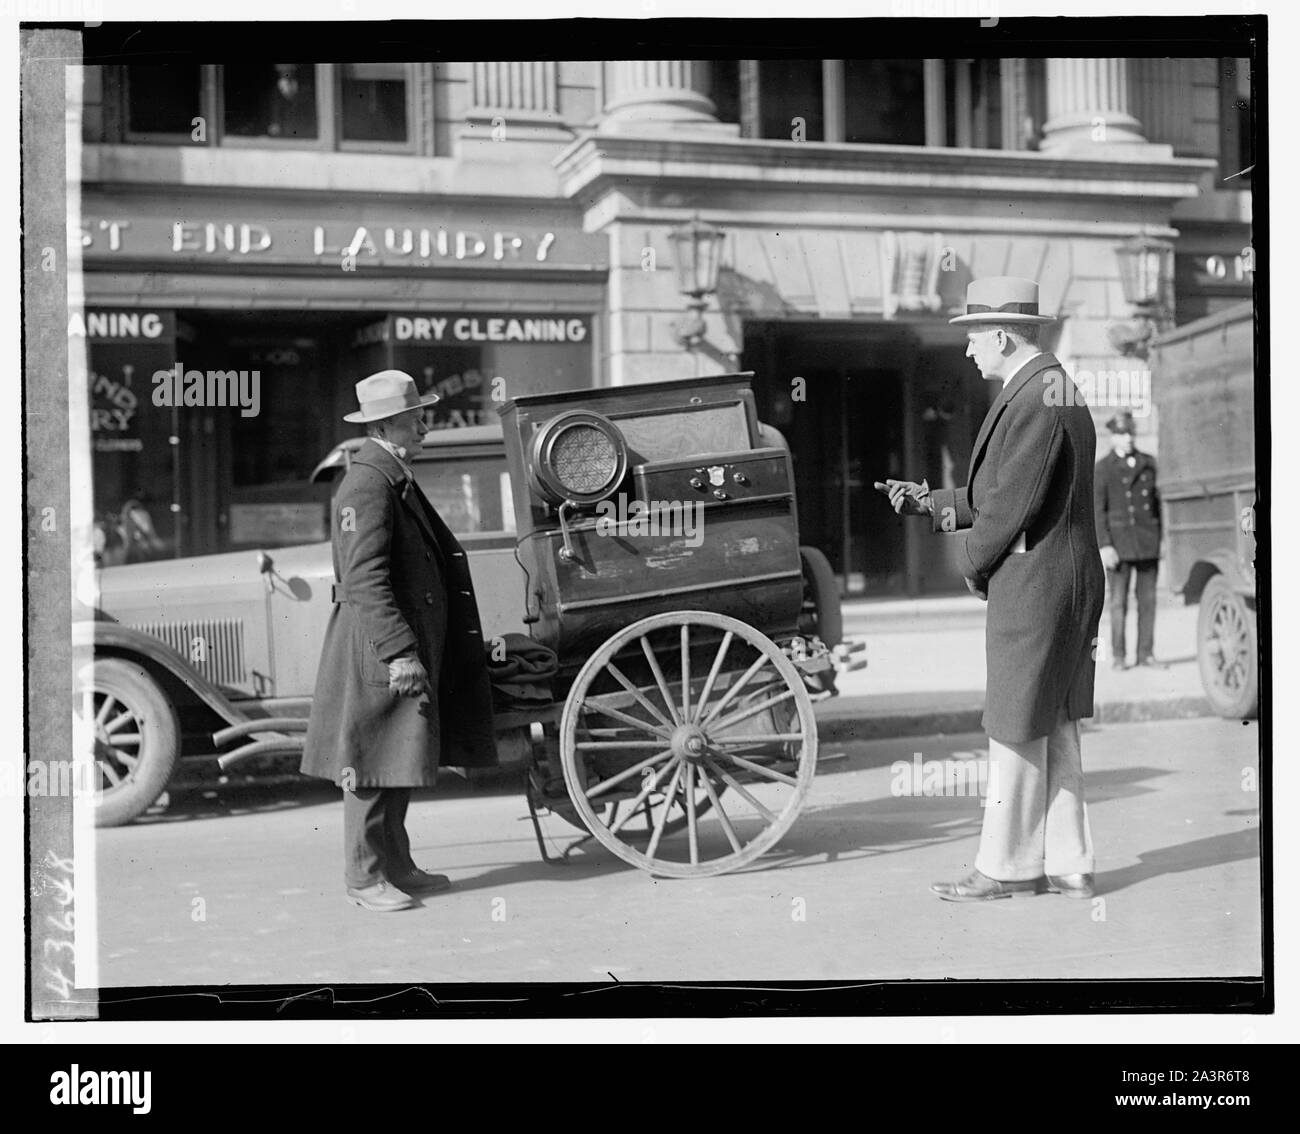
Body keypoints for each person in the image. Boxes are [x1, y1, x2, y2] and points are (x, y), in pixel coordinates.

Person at [878, 276, 1105, 903]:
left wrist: (973, 564)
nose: (970, 351)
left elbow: (1010, 508)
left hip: (1037, 584)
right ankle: (1070, 865)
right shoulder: (1046, 387)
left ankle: (1004, 869)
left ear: (1003, 335)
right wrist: (932, 503)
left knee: (1012, 727)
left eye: (975, 337)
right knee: (1053, 722)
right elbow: (1001, 493)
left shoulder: (1033, 398)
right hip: (1062, 578)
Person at [301, 370, 498, 912]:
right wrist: (399, 651)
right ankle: (364, 879)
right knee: (367, 762)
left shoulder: (389, 475)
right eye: (417, 419)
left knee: (399, 754)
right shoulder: (367, 484)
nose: (425, 427)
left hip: (397, 645)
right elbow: (364, 579)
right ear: (388, 424)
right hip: (379, 647)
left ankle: (397, 865)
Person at [1095, 411, 1163, 669]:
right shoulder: (1102, 469)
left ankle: (1146, 654)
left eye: (1130, 433)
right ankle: (1119, 657)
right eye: (1122, 434)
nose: (1127, 439)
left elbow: (1157, 505)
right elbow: (1097, 511)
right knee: (1118, 603)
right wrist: (1104, 546)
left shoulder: (1149, 463)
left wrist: (1161, 541)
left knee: (1148, 602)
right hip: (1118, 546)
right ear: (1112, 437)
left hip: (1147, 542)